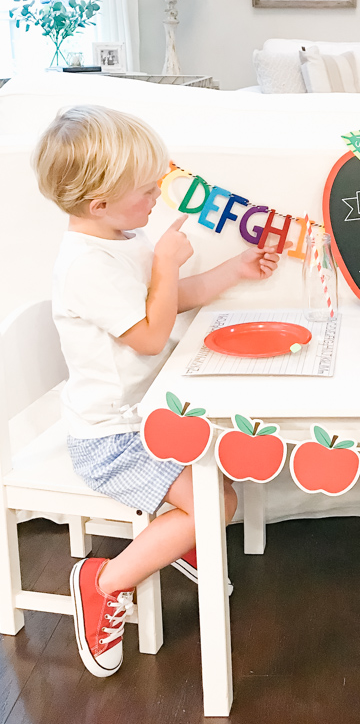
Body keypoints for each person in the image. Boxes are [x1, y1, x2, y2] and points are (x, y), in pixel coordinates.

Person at [32, 105, 282, 678]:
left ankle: (178, 538)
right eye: (147, 191)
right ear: (98, 204)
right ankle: (104, 579)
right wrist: (166, 265)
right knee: (219, 502)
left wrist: (234, 271)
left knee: (228, 466)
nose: (156, 201)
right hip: (112, 437)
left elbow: (165, 301)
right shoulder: (85, 265)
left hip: (149, 419)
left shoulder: (124, 237)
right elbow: (149, 335)